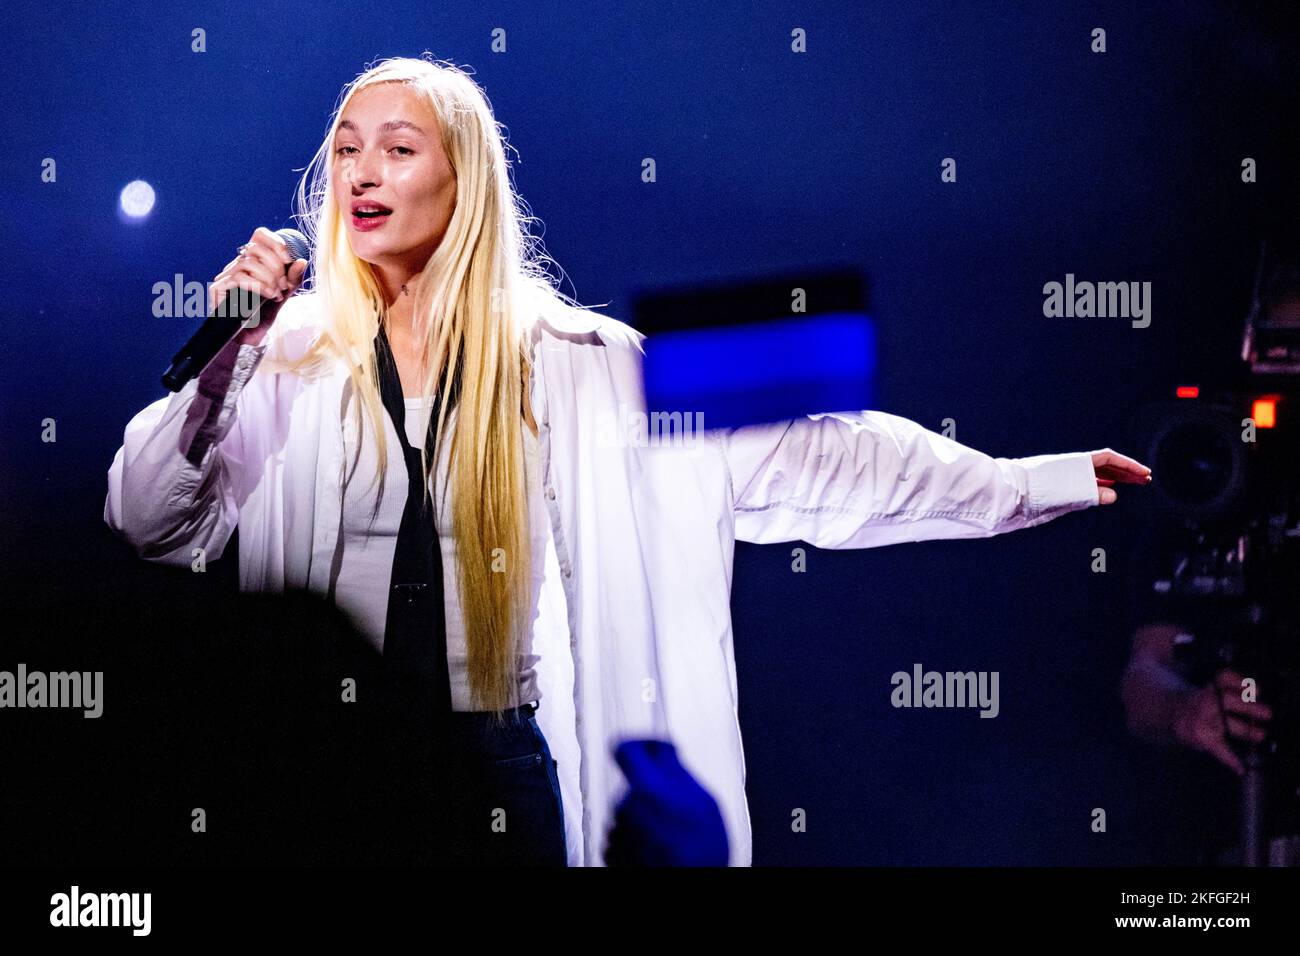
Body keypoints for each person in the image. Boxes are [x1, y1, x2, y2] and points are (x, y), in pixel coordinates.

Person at [105, 55, 1152, 866]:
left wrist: (1031, 481)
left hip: (496, 767)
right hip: (325, 770)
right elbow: (148, 516)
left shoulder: (586, 364)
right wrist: (221, 357)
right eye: (344, 149)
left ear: (462, 180)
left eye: (396, 147)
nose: (360, 172)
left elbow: (821, 457)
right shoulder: (280, 362)